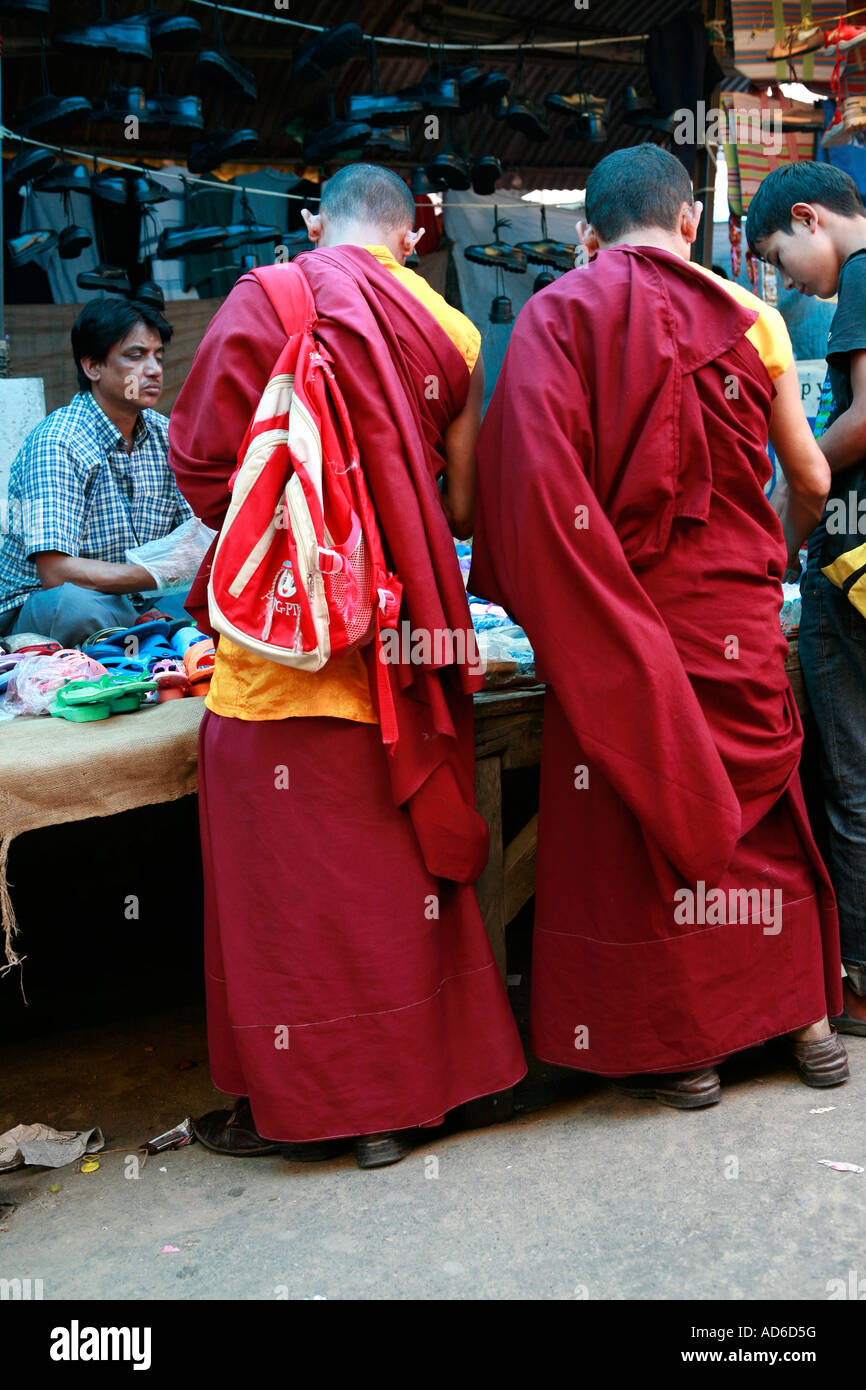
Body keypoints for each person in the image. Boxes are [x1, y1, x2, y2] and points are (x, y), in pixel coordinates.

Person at [469, 145, 848, 1109]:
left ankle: (690, 1052)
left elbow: (528, 496)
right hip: (735, 615)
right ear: (688, 223)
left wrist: (581, 612)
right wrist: (760, 554)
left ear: (589, 231)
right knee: (761, 809)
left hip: (627, 613)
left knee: (650, 815)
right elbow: (810, 478)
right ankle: (805, 1021)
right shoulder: (754, 319)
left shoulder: (558, 315)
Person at [169, 164, 526, 1168]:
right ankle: (398, 1103)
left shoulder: (268, 295)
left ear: (312, 222)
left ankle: (302, 1103)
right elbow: (458, 510)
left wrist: (292, 527)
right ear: (413, 234)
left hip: (279, 664)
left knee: (282, 895)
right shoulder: (451, 332)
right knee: (392, 878)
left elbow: (201, 465)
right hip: (400, 652)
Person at [747, 160, 866, 1039]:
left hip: (852, 564)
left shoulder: (861, 272)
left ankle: (857, 978)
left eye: (782, 260)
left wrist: (800, 467)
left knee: (853, 777)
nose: (790, 280)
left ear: (808, 218)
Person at [0, 298, 193, 646]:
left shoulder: (166, 436)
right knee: (74, 606)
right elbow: (56, 574)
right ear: (92, 367)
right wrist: (154, 575)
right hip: (43, 604)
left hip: (139, 598)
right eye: (136, 356)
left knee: (218, 592)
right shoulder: (58, 442)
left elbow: (193, 537)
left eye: (158, 356)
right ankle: (156, 633)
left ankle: (148, 632)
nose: (153, 370)